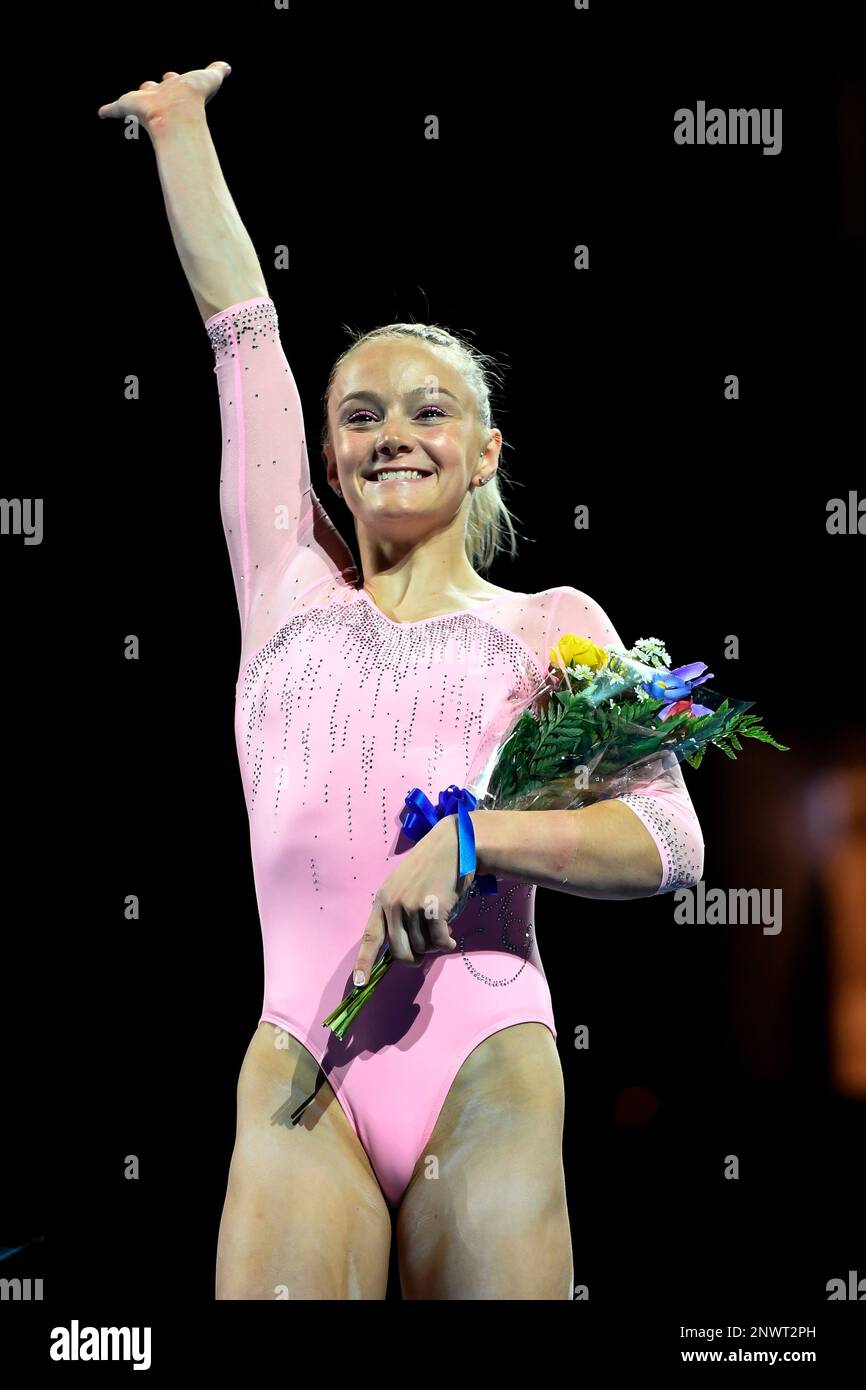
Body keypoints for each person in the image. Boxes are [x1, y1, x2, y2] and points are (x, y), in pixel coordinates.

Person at [98, 62, 705, 1300]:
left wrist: (474, 839)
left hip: (482, 1057)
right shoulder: (286, 588)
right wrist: (177, 127)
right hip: (299, 1057)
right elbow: (239, 328)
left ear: (484, 452)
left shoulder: (552, 626)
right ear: (327, 458)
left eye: (429, 412)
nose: (390, 434)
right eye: (359, 416)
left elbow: (669, 843)